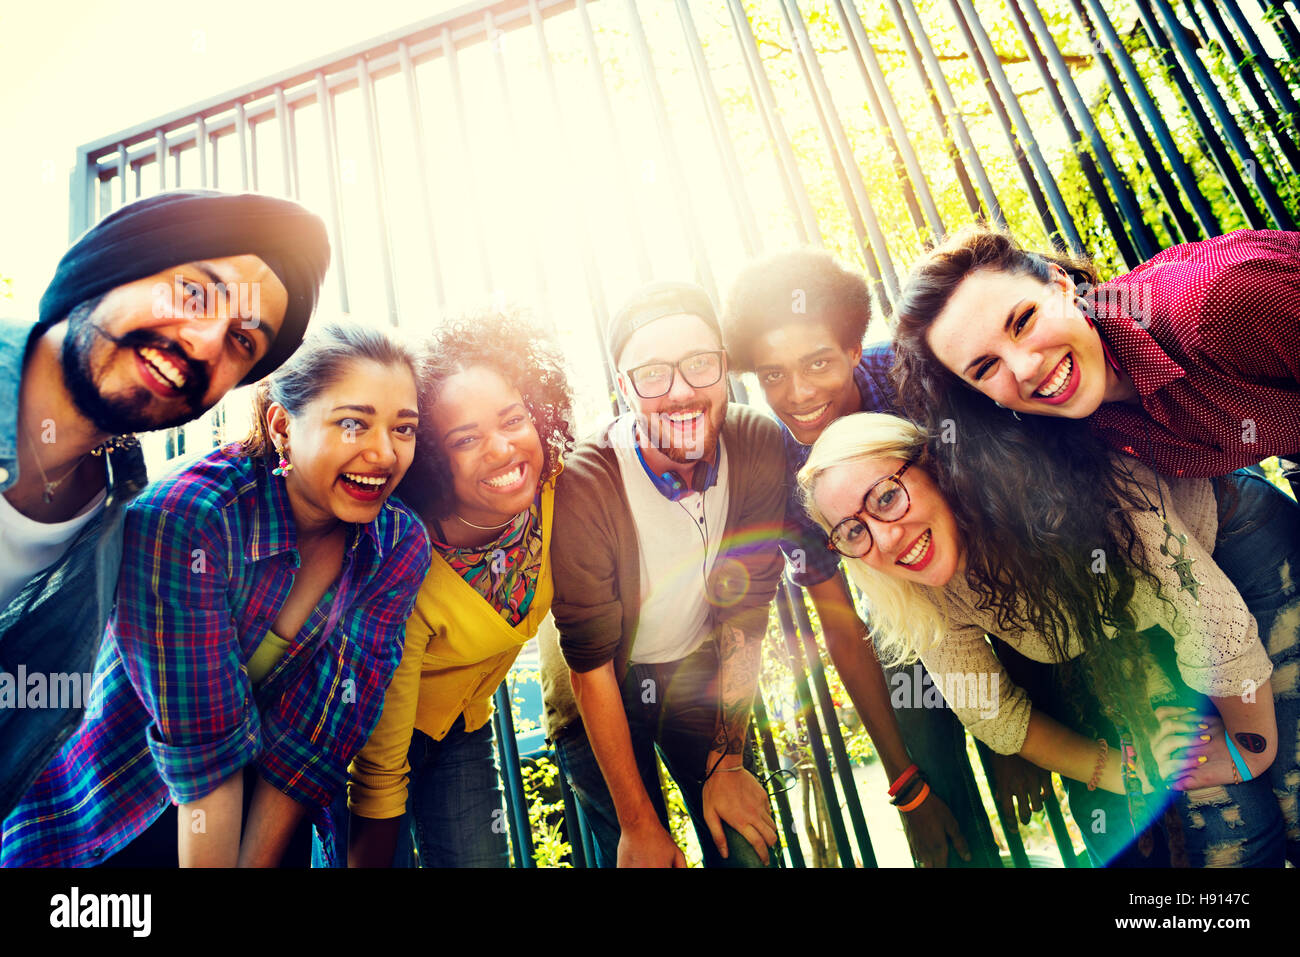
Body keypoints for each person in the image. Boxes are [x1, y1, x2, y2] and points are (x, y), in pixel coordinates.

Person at [891, 225, 1300, 862]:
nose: (1024, 368)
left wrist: (1250, 751)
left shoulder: (1218, 303)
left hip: (1247, 532)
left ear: (1061, 283)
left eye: (1023, 320)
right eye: (985, 367)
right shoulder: (1060, 424)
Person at [0, 322, 430, 867]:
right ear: (280, 426)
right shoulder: (189, 518)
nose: (384, 454)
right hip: (117, 803)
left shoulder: (396, 545)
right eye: (352, 424)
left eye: (404, 429)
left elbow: (314, 738)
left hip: (261, 805)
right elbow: (204, 747)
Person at [798, 411, 1286, 866]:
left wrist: (1252, 748)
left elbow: (1207, 618)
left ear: (932, 465)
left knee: (1290, 786)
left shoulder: (1035, 492)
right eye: (853, 531)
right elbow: (992, 714)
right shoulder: (919, 595)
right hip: (1171, 622)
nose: (886, 540)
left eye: (886, 497)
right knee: (1234, 827)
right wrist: (1122, 771)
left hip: (1235, 538)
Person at [0, 189, 330, 821]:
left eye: (242, 341)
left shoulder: (118, 515)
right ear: (112, 265)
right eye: (194, 292)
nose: (206, 342)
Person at [723, 247, 1049, 867]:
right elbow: (843, 628)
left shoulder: (920, 386)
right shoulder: (786, 473)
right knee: (947, 834)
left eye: (818, 362)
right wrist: (906, 786)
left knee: (1102, 779)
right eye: (771, 375)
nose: (796, 394)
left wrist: (1010, 731)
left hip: (1014, 597)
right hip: (908, 626)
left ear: (853, 349)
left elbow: (1008, 538)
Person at [540, 280, 787, 868]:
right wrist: (638, 823)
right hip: (595, 689)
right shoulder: (587, 480)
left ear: (725, 368)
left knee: (747, 851)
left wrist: (727, 764)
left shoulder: (756, 443)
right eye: (651, 374)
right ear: (623, 388)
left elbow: (747, 609)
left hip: (696, 670)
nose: (680, 392)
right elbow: (590, 665)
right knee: (641, 855)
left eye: (701, 364)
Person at [345, 311, 575, 867]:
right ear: (430, 457)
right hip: (364, 745)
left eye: (512, 419)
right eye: (466, 438)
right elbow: (379, 764)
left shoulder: (558, 496)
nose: (500, 449)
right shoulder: (406, 557)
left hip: (462, 731)